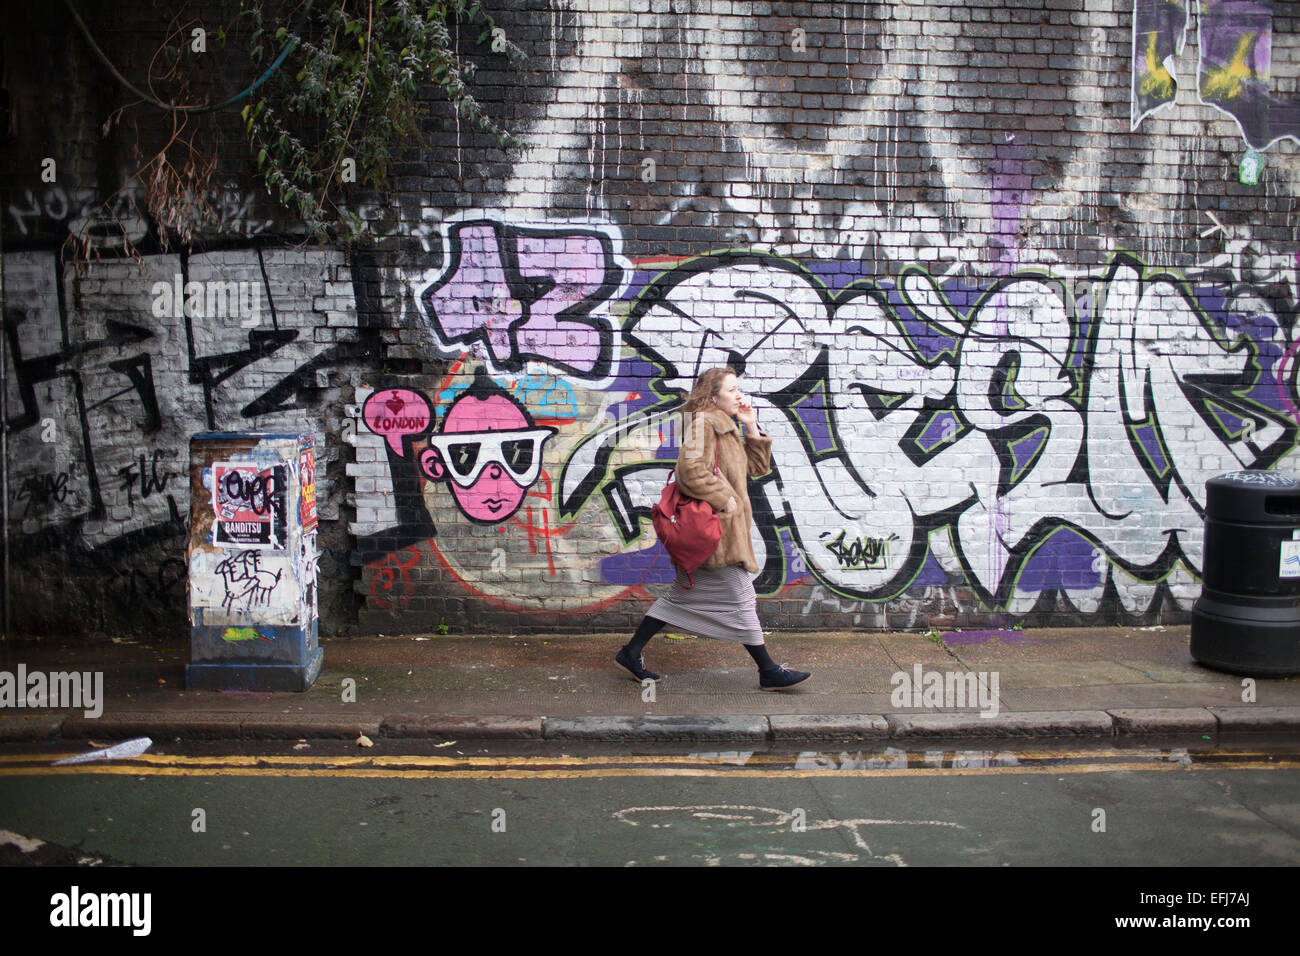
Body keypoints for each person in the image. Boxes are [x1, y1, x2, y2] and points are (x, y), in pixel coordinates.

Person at [615, 367, 811, 690]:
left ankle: (631, 652)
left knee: (679, 597)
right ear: (712, 395)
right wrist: (724, 498)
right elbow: (689, 472)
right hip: (715, 534)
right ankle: (768, 670)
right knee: (742, 596)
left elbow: (757, 469)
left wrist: (750, 426)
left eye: (738, 389)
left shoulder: (726, 426)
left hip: (722, 532)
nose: (738, 395)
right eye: (731, 390)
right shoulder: (703, 424)